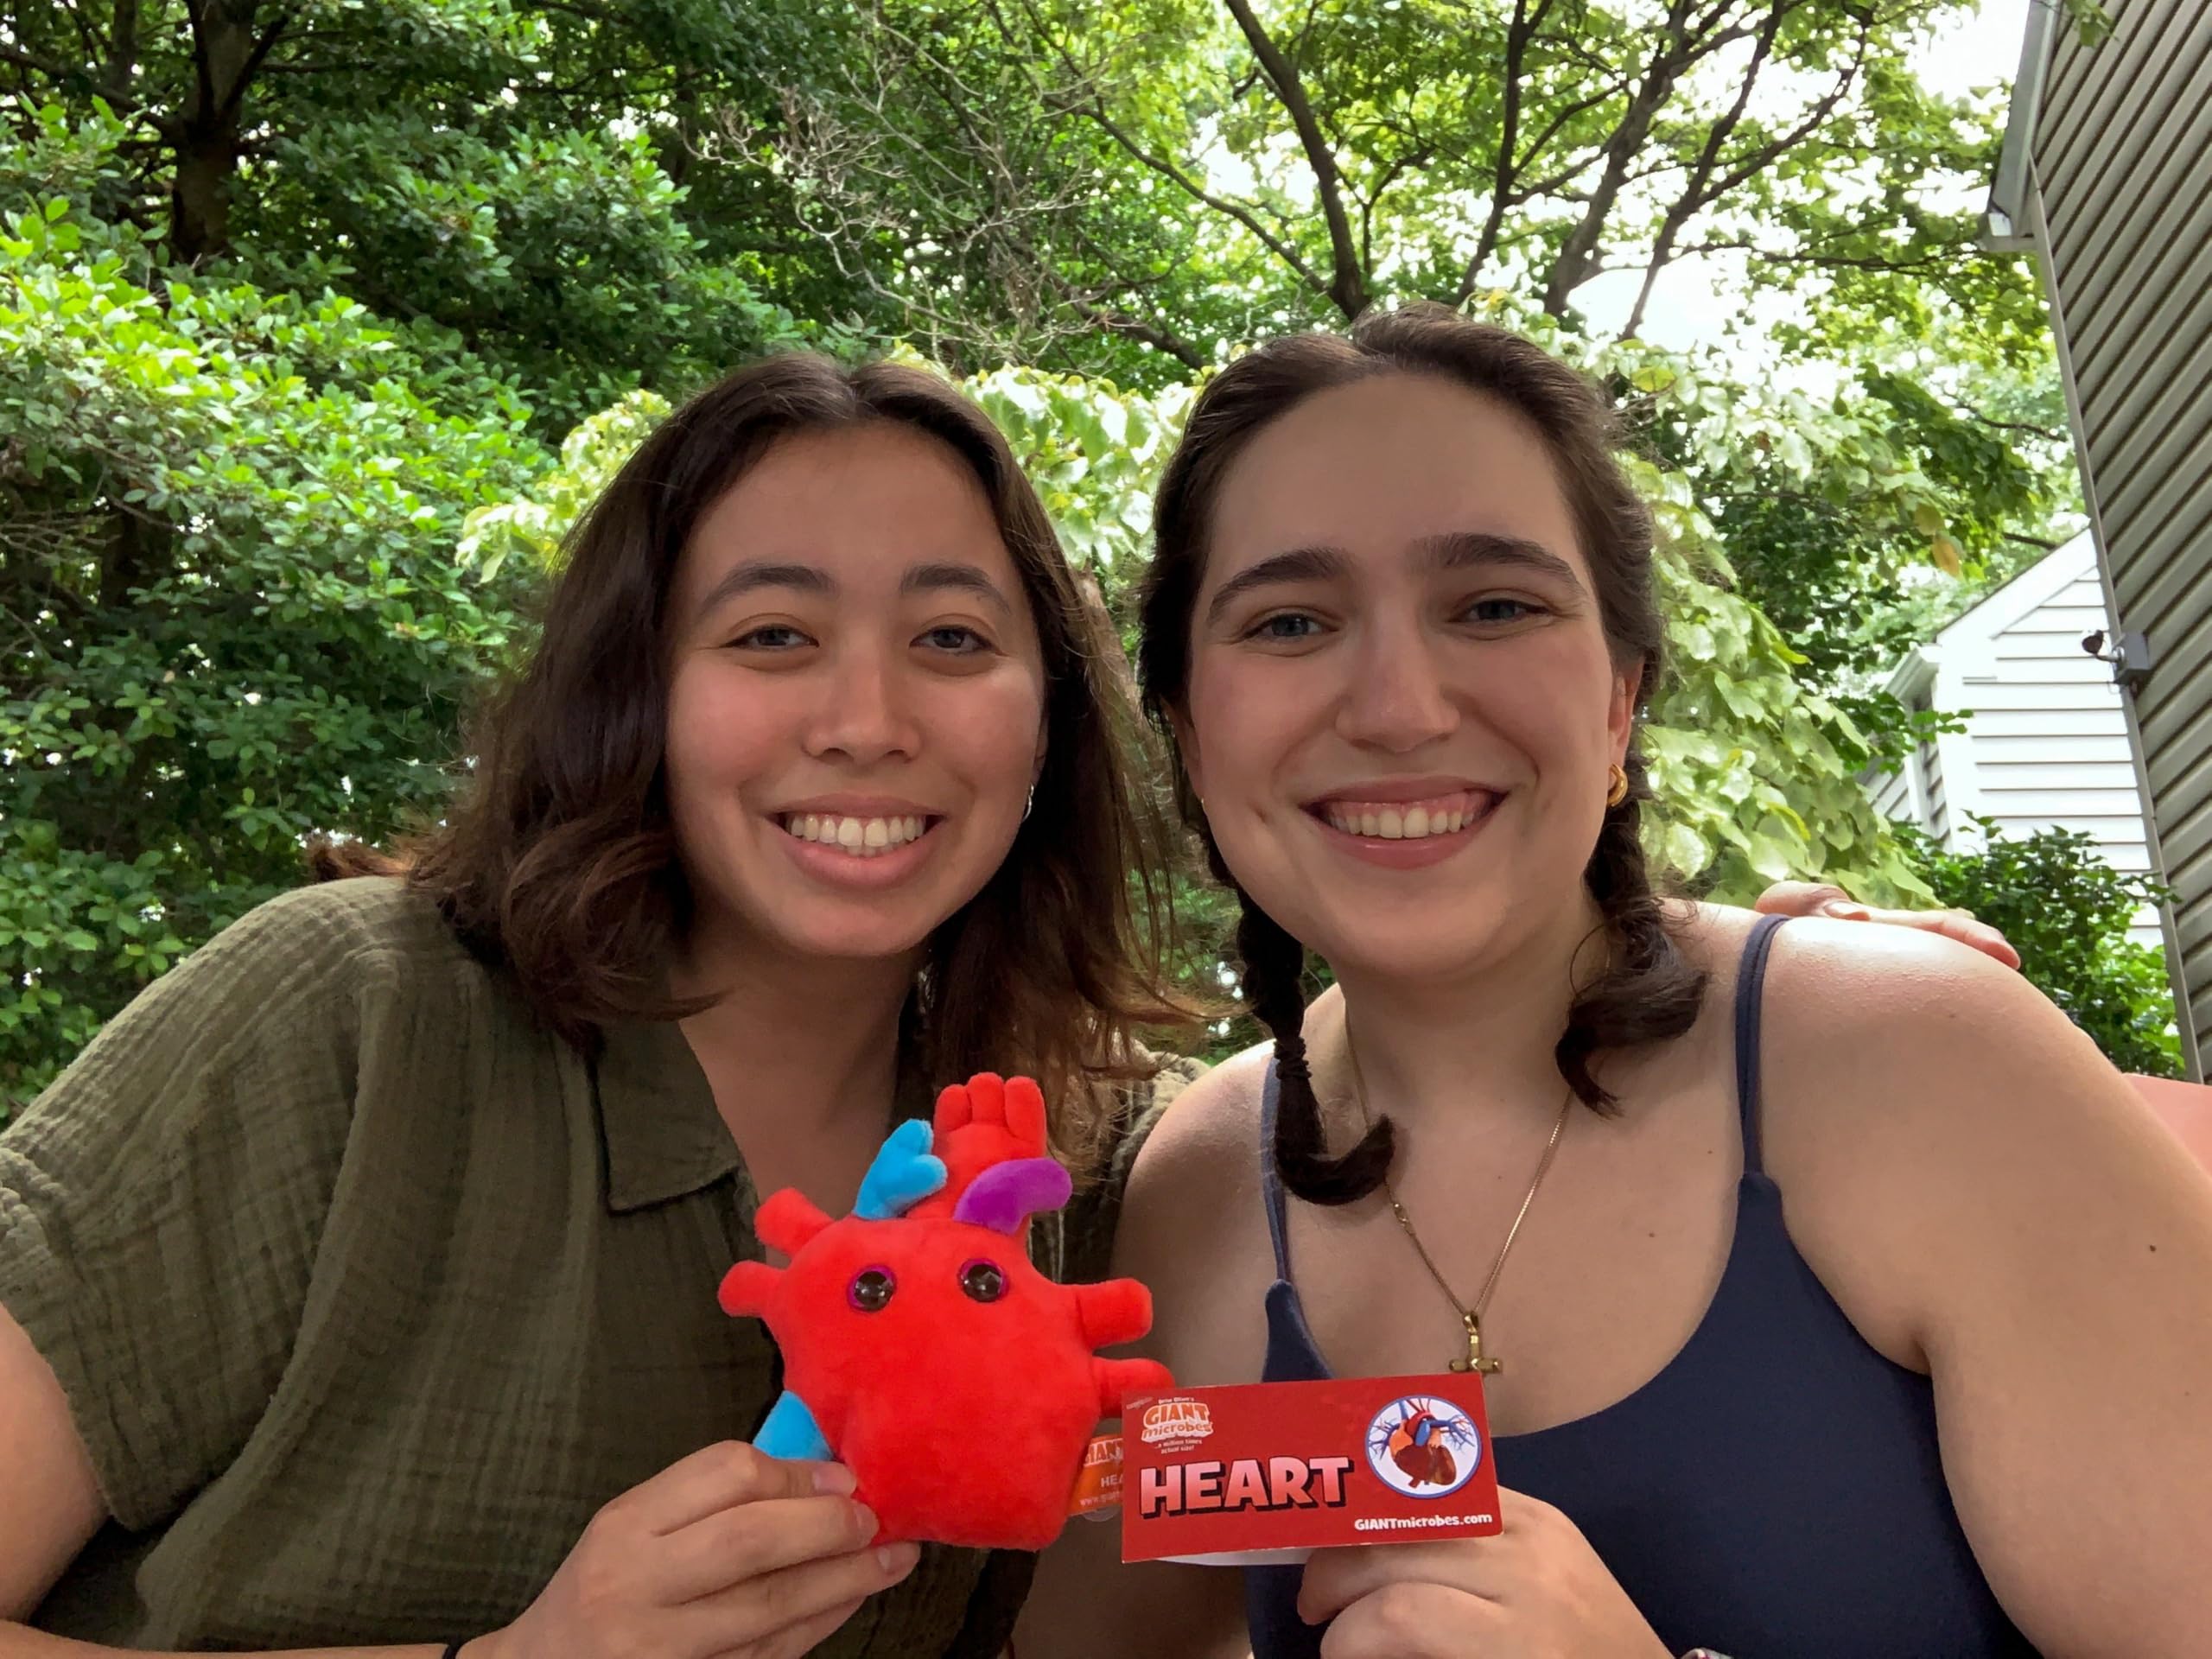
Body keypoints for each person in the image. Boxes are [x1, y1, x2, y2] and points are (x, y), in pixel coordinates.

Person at [0, 343, 2018, 1659]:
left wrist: (1734, 975)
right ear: (641, 690)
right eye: (772, 633)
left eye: (950, 637)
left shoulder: (1079, 1175)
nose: (866, 720)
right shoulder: (343, 1026)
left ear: (1048, 724)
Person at [1017, 305, 2212, 1658]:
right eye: (1291, 620)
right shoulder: (1195, 1192)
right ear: (1185, 725)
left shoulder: (1921, 1073)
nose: (1399, 705)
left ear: (1619, 701)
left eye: (1495, 606)